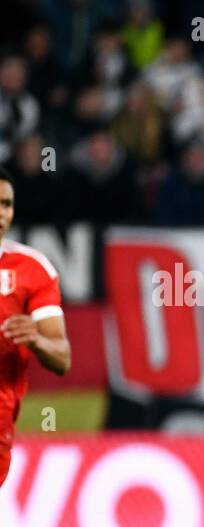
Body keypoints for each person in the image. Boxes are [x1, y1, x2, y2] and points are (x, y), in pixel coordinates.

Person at [0, 167, 71, 487]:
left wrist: (37, 339)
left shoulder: (33, 269)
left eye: (6, 204)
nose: (2, 213)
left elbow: (62, 358)